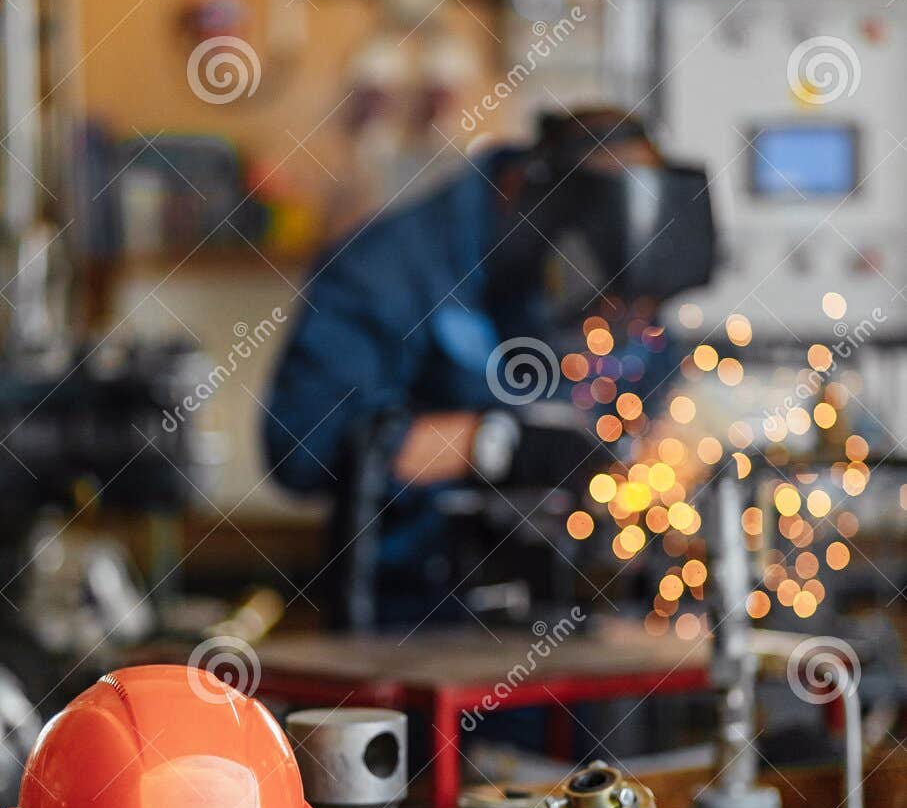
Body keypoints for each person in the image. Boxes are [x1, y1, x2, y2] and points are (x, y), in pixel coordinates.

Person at [263, 107, 713, 627]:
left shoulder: (619, 278)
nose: (615, 323)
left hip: (568, 615)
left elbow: (652, 396)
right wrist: (495, 443)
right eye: (606, 304)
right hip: (411, 626)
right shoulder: (387, 270)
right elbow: (301, 448)